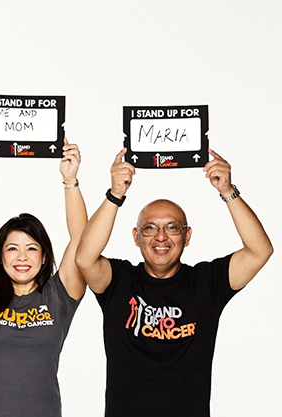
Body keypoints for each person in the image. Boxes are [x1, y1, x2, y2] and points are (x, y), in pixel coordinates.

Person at [74, 148, 273, 417]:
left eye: (172, 227)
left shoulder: (206, 283)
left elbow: (260, 251)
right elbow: (85, 259)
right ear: (136, 236)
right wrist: (115, 194)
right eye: (150, 228)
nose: (161, 237)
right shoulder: (119, 281)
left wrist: (228, 191)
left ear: (187, 236)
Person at [0, 138, 88, 416]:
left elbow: (82, 241)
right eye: (12, 249)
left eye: (31, 249)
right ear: (0, 256)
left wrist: (70, 180)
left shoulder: (59, 297)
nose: (22, 257)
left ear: (44, 257)